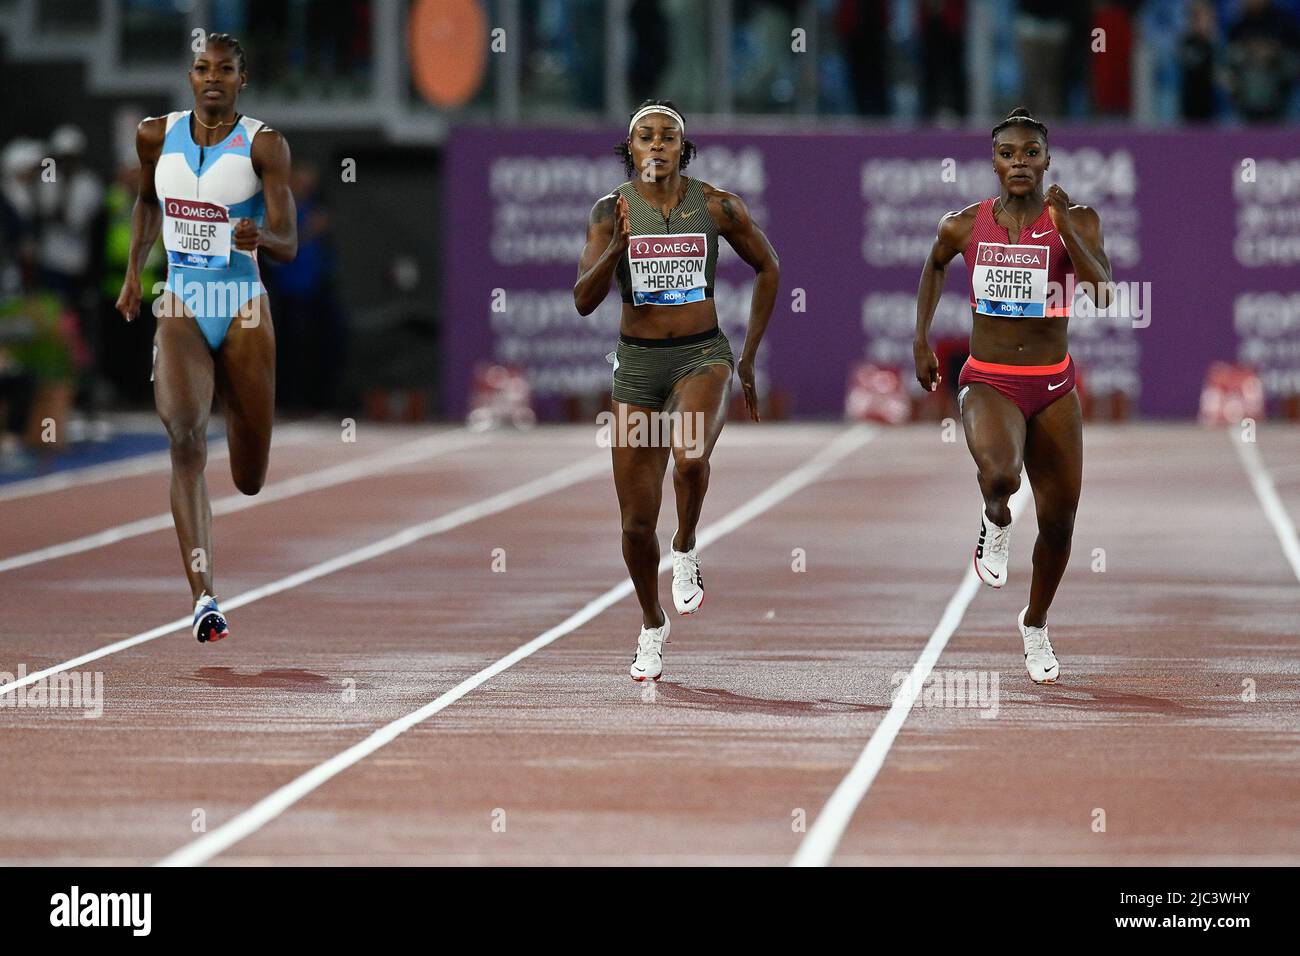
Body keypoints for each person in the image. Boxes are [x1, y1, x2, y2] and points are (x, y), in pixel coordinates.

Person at [573, 99, 779, 682]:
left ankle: (686, 547)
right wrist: (617, 246)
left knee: (690, 458)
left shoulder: (716, 205)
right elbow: (584, 301)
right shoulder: (608, 212)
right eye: (646, 136)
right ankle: (651, 623)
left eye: (668, 137)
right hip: (638, 368)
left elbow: (769, 266)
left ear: (681, 150)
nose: (657, 145)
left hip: (700, 358)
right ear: (630, 150)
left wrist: (749, 356)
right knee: (637, 525)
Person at [913, 107, 1112, 684]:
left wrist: (1067, 229)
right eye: (1008, 153)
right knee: (1001, 476)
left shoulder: (1080, 220)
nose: (1019, 162)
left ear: (1047, 159)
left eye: (1030, 153)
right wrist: (921, 338)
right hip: (989, 380)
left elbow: (1102, 293)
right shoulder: (964, 224)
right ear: (993, 161)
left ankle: (1035, 623)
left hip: (1053, 386)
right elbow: (934, 265)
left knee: (1060, 522)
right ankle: (994, 519)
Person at [115, 33, 297, 643]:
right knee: (186, 437)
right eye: (201, 68)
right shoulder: (153, 135)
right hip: (183, 299)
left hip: (241, 304)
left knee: (249, 477)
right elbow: (145, 203)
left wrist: (260, 239)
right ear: (190, 78)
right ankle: (205, 598)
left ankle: (241, 440)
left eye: (224, 69)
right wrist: (134, 275)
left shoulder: (265, 145)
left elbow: (290, 240)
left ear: (242, 80)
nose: (211, 77)